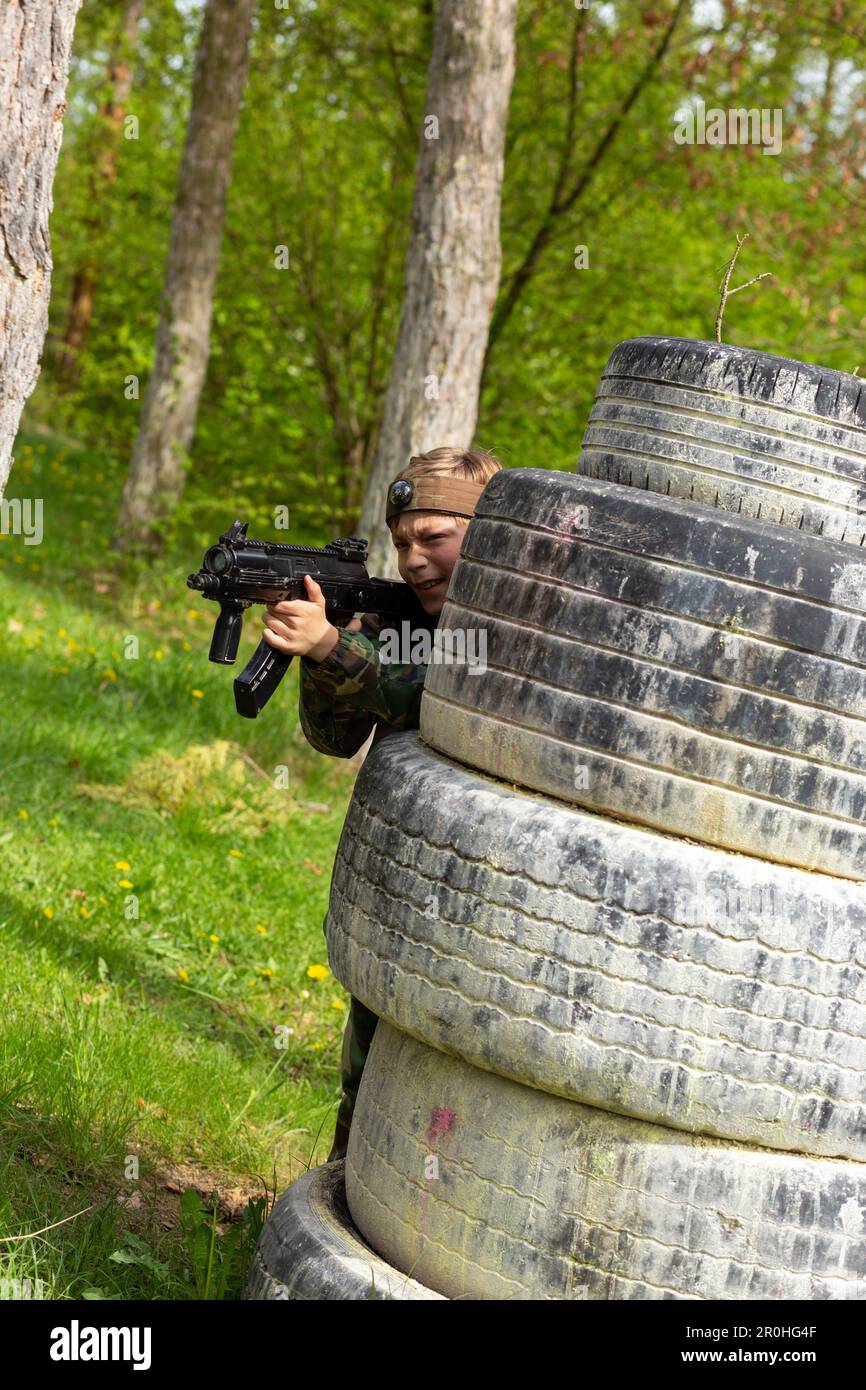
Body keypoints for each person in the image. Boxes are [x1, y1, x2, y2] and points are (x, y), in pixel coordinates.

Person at [260, 446, 503, 1160]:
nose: (415, 560)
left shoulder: (515, 617)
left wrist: (336, 647)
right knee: (364, 1068)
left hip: (486, 891)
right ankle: (344, 1201)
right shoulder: (400, 619)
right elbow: (336, 739)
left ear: (486, 533)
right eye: (402, 543)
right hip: (399, 878)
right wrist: (321, 651)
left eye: (435, 538)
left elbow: (436, 688)